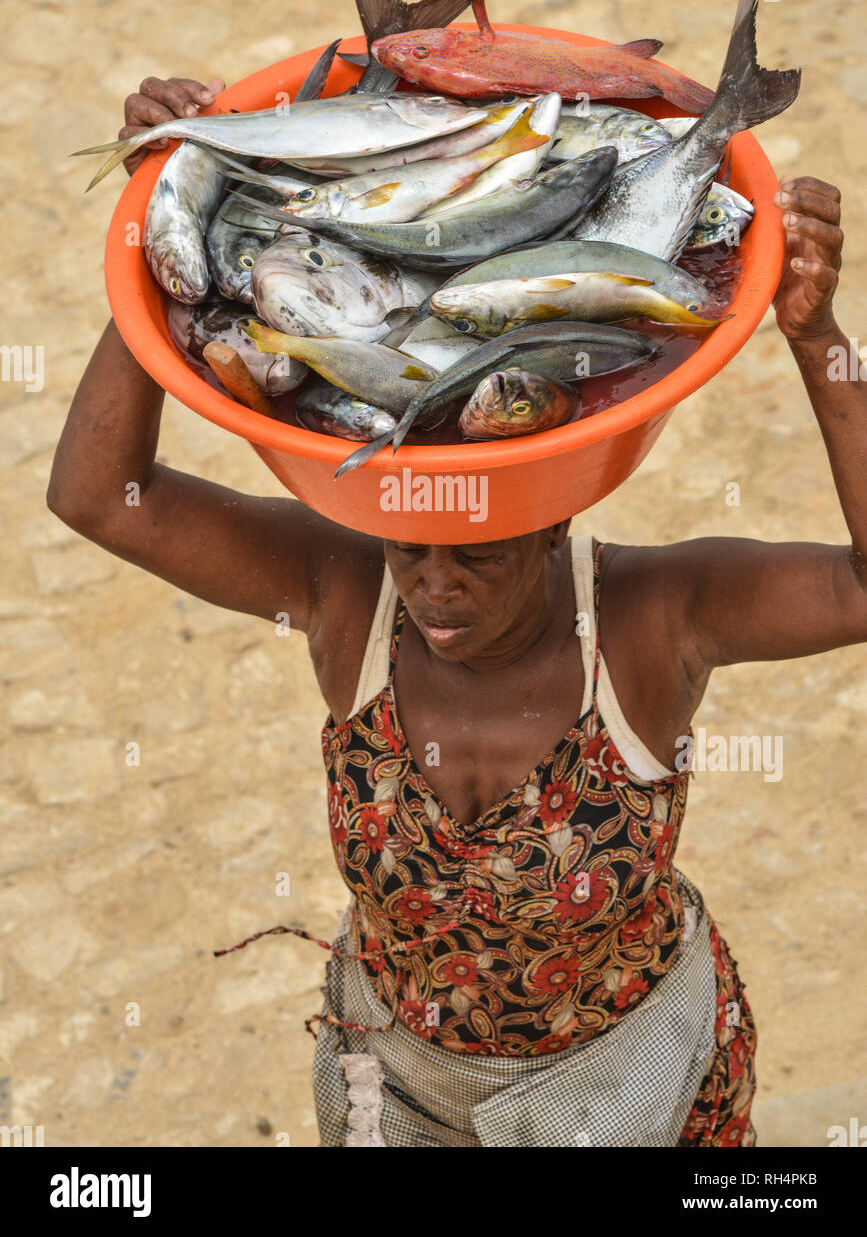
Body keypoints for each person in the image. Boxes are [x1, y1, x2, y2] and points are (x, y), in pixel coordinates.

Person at [48, 76, 863, 1149]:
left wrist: (819, 338)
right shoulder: (345, 594)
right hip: (402, 1086)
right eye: (406, 543)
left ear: (551, 524)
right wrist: (173, 202)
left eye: (476, 557)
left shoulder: (651, 621)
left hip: (629, 1091)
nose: (432, 586)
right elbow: (101, 497)